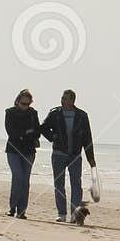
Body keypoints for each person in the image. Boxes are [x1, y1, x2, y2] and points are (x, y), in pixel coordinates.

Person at [40, 88, 96, 222]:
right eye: (62, 98)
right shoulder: (55, 113)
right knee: (59, 184)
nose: (63, 100)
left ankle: (75, 214)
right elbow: (43, 127)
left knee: (76, 184)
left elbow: (88, 138)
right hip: (59, 154)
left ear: (72, 100)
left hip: (75, 155)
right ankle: (62, 214)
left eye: (66, 98)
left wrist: (91, 158)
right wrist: (53, 137)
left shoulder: (82, 116)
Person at [3, 89, 40, 219]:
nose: (25, 106)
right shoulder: (10, 112)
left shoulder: (33, 113)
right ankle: (12, 207)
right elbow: (11, 131)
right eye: (23, 103)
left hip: (29, 151)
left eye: (27, 104)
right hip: (13, 150)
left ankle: (22, 210)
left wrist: (26, 134)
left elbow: (37, 132)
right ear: (18, 101)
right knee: (17, 176)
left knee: (25, 180)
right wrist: (26, 133)